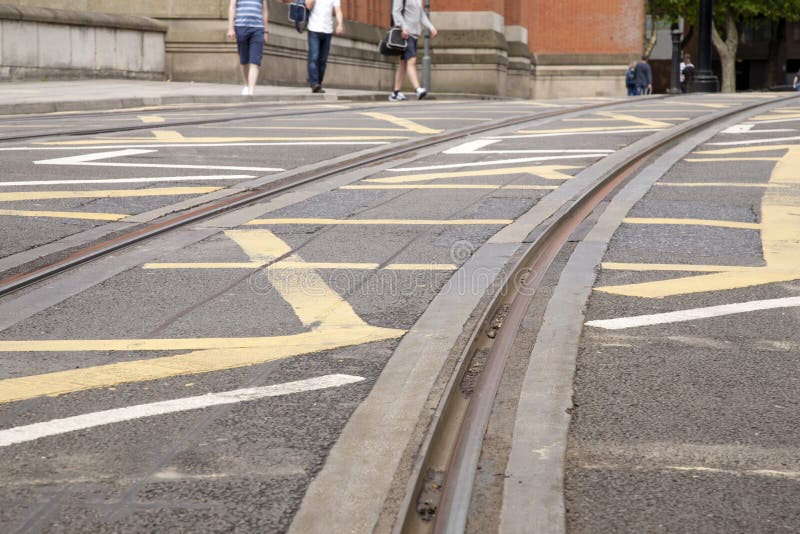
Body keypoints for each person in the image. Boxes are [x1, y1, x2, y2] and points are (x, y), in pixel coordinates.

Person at [389, 0, 437, 101]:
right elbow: (396, 12)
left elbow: (421, 14)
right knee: (412, 60)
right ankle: (417, 89)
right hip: (406, 34)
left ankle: (395, 93)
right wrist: (403, 27)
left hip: (414, 35)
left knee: (403, 63)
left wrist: (430, 27)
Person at [228, 0, 269, 96]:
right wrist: (230, 28)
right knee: (244, 61)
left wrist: (266, 31)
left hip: (258, 29)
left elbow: (264, 10)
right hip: (241, 27)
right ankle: (246, 85)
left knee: (255, 61)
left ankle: (251, 91)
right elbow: (232, 7)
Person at [306, 0, 344, 93]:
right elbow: (308, 6)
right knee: (314, 57)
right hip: (314, 29)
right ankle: (314, 83)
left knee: (323, 61)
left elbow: (338, 10)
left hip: (327, 31)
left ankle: (318, 83)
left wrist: (340, 25)